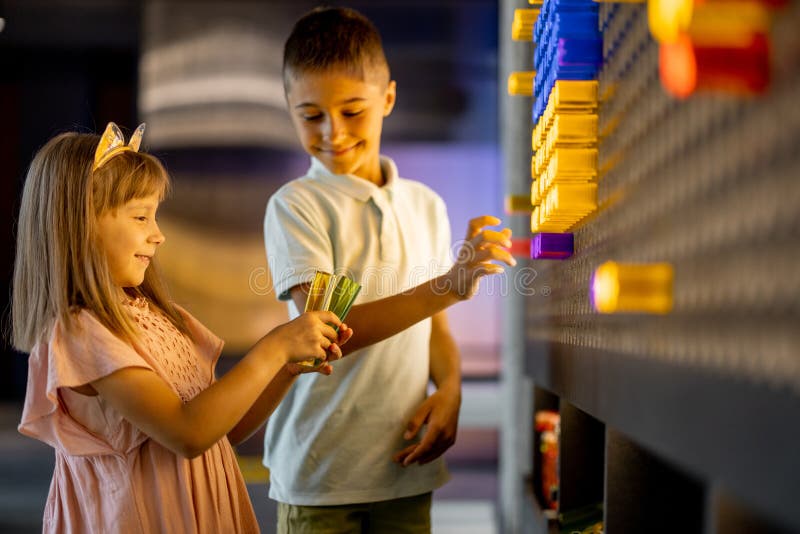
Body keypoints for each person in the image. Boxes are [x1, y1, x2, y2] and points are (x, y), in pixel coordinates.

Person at [11, 122, 352, 533]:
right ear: (78, 224)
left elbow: (223, 429)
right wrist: (275, 347)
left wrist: (286, 368)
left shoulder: (158, 314)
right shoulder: (84, 331)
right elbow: (188, 432)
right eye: (141, 216)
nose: (158, 235)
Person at [262, 6, 516, 532]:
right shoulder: (296, 205)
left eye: (352, 110)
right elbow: (327, 333)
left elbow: (434, 330)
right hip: (321, 477)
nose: (333, 131)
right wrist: (448, 286)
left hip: (404, 470)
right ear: (289, 109)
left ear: (388, 99)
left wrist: (450, 391)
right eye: (310, 115)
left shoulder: (425, 204)